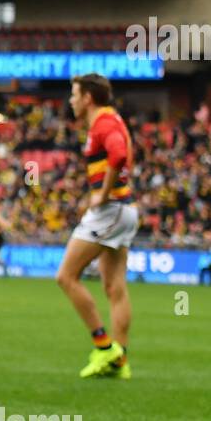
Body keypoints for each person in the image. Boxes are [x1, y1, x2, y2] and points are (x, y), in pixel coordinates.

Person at [55, 74, 136, 380]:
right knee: (115, 288)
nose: (71, 101)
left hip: (110, 210)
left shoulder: (103, 123)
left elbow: (119, 154)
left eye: (74, 95)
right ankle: (120, 361)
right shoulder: (111, 121)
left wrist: (102, 193)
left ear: (88, 98)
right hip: (123, 208)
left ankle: (104, 347)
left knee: (66, 276)